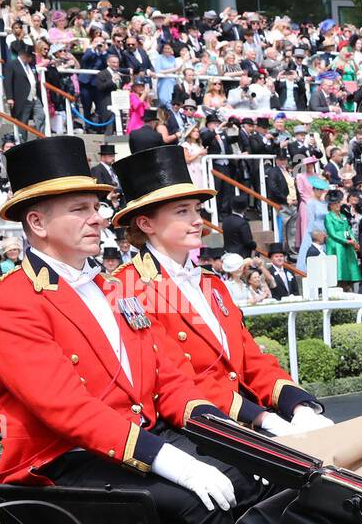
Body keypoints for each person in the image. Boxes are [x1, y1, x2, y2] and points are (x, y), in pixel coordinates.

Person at [0, 135, 244, 524]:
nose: (98, 218)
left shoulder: (110, 288)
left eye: (96, 207)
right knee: (199, 502)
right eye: (80, 209)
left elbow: (165, 377)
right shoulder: (9, 304)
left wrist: (229, 432)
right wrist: (168, 459)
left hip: (132, 440)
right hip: (62, 462)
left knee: (252, 473)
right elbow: (68, 411)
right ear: (38, 223)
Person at [110, 144, 331, 438]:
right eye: (182, 212)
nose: (197, 221)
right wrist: (261, 417)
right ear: (145, 223)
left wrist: (297, 406)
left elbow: (249, 357)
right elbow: (175, 378)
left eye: (197, 210)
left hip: (245, 416)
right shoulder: (129, 286)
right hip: (196, 426)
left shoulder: (210, 282)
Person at [323, 190, 361, 287]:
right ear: (331, 205)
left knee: (349, 267)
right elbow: (332, 234)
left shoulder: (343, 216)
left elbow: (348, 229)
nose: (338, 205)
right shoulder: (328, 217)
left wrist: (353, 241)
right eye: (335, 204)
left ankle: (347, 284)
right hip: (336, 245)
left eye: (338, 203)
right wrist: (347, 241)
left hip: (347, 245)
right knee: (338, 268)